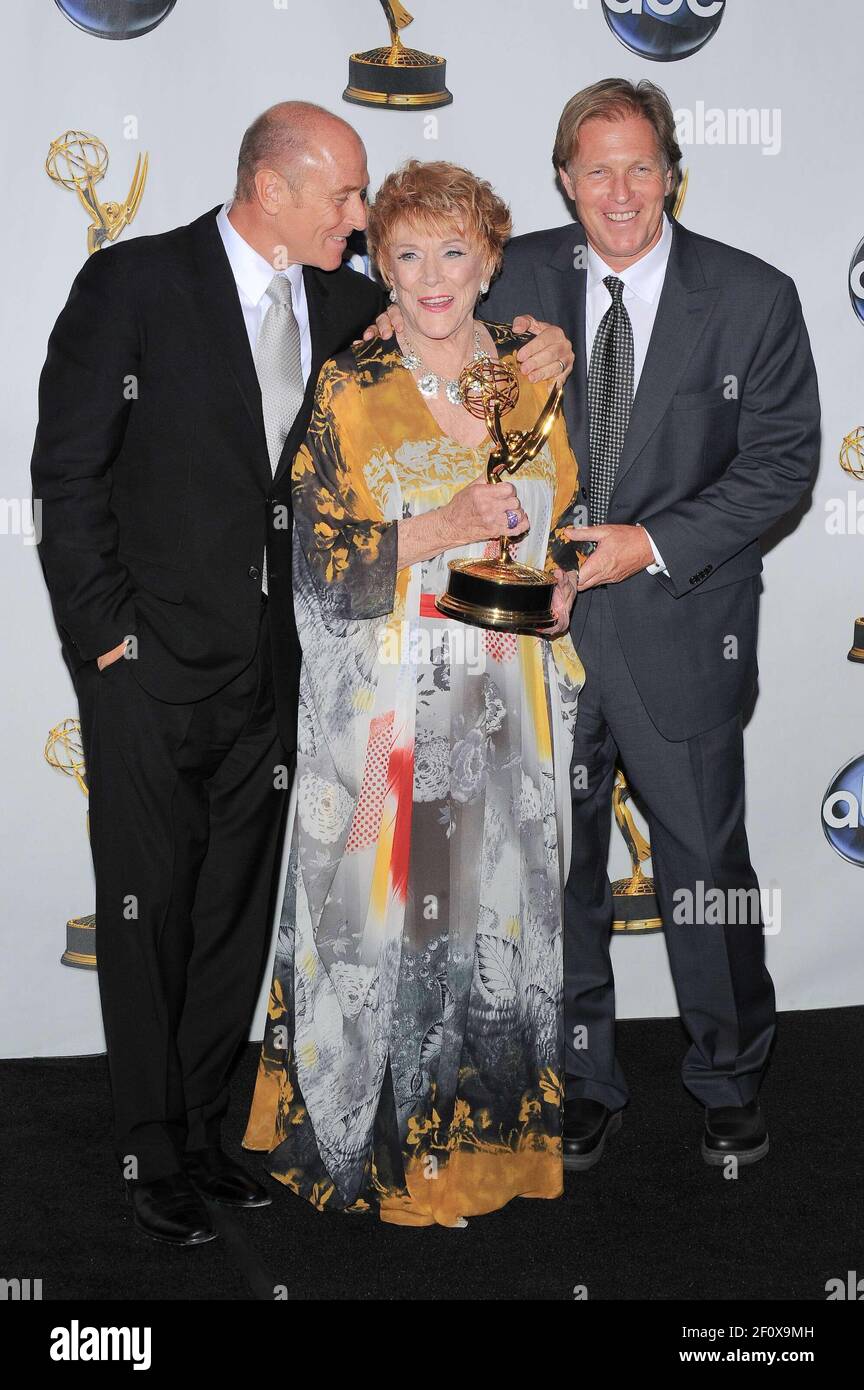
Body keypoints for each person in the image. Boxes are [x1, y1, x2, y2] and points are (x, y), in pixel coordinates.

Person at [30, 101, 573, 1246]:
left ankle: (217, 1136)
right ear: (272, 187)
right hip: (150, 671)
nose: (361, 220)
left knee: (234, 914)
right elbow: (68, 475)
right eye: (344, 197)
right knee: (149, 911)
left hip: (288, 675)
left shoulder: (339, 302)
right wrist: (105, 641)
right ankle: (150, 1147)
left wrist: (540, 343)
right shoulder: (131, 285)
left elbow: (451, 327)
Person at [472, 78, 820, 1170]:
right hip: (539, 634)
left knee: (703, 863)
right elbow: (419, 361)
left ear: (671, 169)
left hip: (681, 623)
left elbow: (782, 465)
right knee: (553, 866)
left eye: (639, 166)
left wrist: (646, 543)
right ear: (564, 179)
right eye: (595, 169)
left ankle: (727, 1073)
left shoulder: (754, 295)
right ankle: (581, 1077)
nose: (618, 191)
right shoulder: (508, 276)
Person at [243, 159, 585, 1227]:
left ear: (490, 262)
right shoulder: (352, 385)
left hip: (504, 702)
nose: (432, 276)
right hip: (389, 710)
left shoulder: (529, 377)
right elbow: (312, 557)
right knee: (392, 924)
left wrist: (563, 579)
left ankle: (479, 1144)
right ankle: (384, 1150)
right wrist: (434, 531)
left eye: (453, 253)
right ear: (379, 269)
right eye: (406, 255)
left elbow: (558, 506)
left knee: (491, 923)